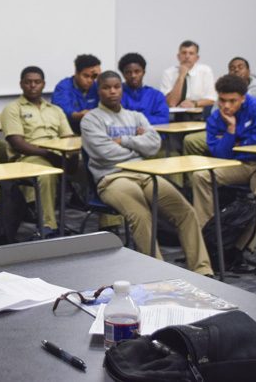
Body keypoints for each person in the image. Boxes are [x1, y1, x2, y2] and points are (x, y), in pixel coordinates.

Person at [81, 71, 213, 275]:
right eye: (106, 87)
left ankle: (203, 271)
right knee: (141, 215)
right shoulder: (91, 120)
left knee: (185, 211)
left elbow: (153, 144)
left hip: (144, 174)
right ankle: (158, 274)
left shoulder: (136, 116)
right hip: (113, 178)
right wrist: (137, 146)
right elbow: (104, 152)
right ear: (98, 90)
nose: (112, 91)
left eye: (116, 86)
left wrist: (125, 141)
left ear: (121, 88)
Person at [191, 74, 256, 272]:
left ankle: (239, 249)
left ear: (243, 98)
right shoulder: (215, 118)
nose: (226, 105)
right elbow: (220, 154)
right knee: (201, 176)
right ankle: (210, 239)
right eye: (222, 100)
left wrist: (238, 143)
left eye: (232, 100)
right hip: (237, 166)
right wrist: (231, 129)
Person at [1, 66, 74, 238]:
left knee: (92, 166)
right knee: (46, 174)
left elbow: (69, 137)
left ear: (43, 84)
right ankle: (47, 227)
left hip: (58, 154)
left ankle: (110, 222)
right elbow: (17, 143)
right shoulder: (13, 108)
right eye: (28, 82)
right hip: (28, 158)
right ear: (21, 84)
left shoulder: (55, 110)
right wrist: (49, 155)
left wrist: (73, 156)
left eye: (37, 82)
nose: (32, 86)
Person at [183, 56, 256, 156]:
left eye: (240, 67)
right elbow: (216, 112)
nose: (236, 70)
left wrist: (239, 141)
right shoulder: (224, 90)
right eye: (232, 68)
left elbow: (253, 116)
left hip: (247, 131)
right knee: (190, 140)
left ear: (248, 72)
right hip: (224, 129)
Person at [52, 54, 101, 134]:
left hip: (94, 129)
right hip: (70, 130)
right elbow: (61, 111)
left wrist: (101, 78)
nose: (89, 80)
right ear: (76, 72)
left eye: (93, 77)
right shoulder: (63, 86)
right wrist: (78, 115)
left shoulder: (97, 86)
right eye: (86, 76)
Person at [160, 40, 216, 109]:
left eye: (191, 53)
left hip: (199, 113)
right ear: (178, 56)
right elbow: (171, 103)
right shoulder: (168, 73)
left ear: (197, 58)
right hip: (175, 115)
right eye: (184, 53)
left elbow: (212, 99)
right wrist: (181, 76)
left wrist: (193, 103)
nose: (187, 56)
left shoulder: (205, 71)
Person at [118, 52, 169, 125]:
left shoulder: (156, 95)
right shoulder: (117, 94)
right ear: (123, 74)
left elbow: (163, 119)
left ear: (143, 72)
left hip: (152, 134)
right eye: (128, 73)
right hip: (125, 135)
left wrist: (138, 121)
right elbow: (116, 120)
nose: (133, 76)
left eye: (137, 72)